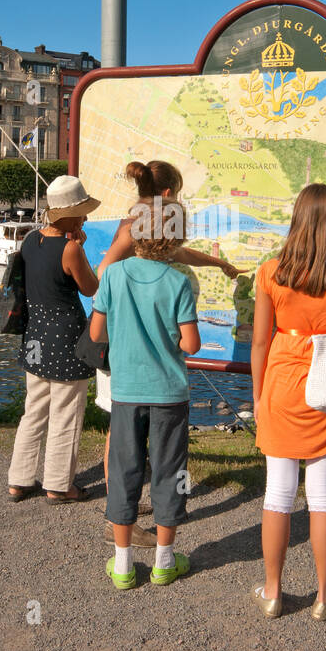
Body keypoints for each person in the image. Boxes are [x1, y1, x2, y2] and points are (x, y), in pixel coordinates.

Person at [93, 159, 242, 548]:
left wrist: (218, 263)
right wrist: (115, 308)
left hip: (134, 350)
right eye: (176, 193)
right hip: (129, 349)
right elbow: (105, 271)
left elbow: (177, 254)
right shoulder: (133, 229)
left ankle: (125, 515)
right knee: (125, 440)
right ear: (165, 195)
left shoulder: (150, 229)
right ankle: (122, 516)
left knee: (128, 435)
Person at [249, 184, 326, 620]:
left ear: (297, 219)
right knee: (323, 497)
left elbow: (260, 343)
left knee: (277, 493)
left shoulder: (271, 273)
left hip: (281, 387)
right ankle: (325, 596)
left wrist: (258, 398)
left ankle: (274, 592)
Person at [89, 197, 200, 589]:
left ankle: (122, 566)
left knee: (124, 471)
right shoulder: (179, 282)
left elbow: (96, 334)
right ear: (175, 237)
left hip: (126, 391)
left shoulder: (114, 276)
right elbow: (191, 345)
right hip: (170, 393)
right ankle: (164, 562)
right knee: (170, 472)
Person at [5, 175, 101, 505]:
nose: (86, 217)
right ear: (70, 215)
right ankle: (59, 485)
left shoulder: (32, 241)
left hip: (35, 339)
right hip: (67, 342)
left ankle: (19, 480)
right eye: (82, 212)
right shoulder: (71, 248)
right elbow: (90, 288)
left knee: (33, 412)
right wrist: (83, 248)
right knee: (66, 415)